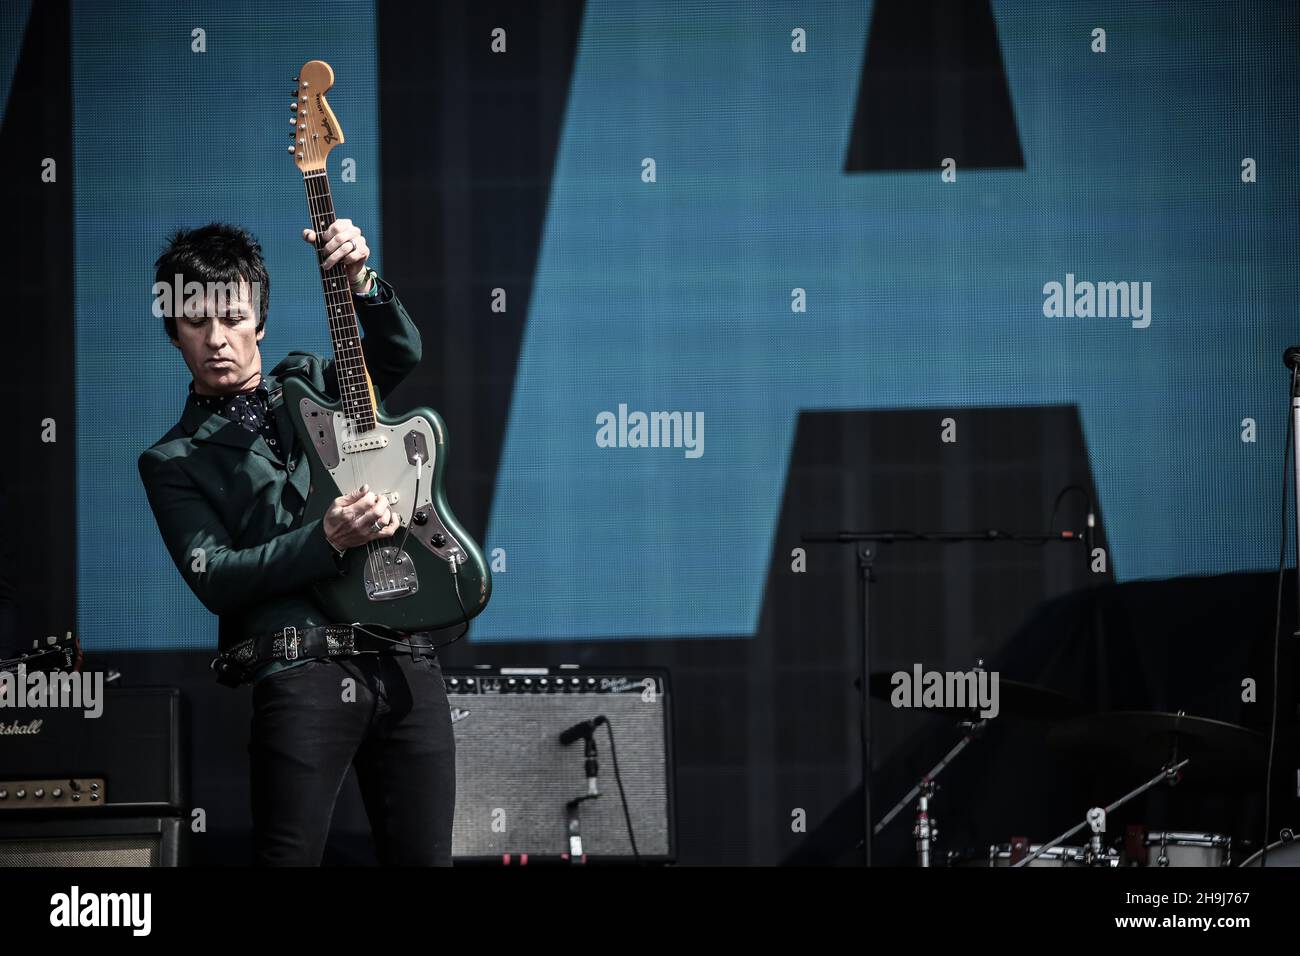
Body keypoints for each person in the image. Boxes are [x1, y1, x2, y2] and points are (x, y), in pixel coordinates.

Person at [139, 221, 455, 865]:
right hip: (298, 669)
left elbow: (399, 352)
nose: (217, 337)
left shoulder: (311, 384)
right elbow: (216, 575)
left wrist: (361, 281)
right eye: (196, 321)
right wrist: (326, 539)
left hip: (403, 654)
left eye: (233, 315)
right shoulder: (171, 459)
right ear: (173, 329)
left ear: (259, 320)